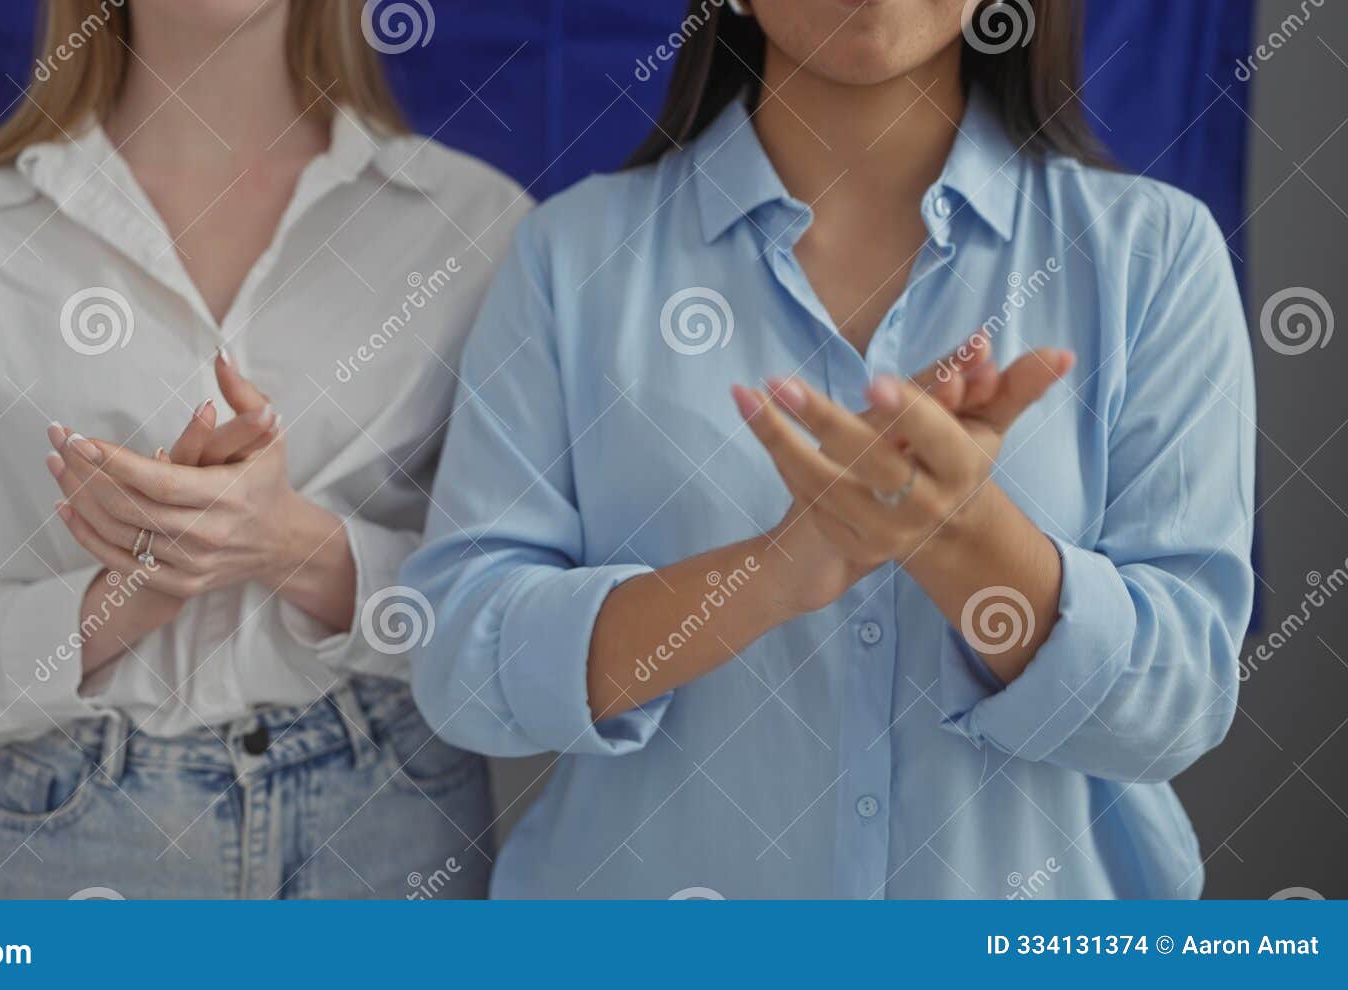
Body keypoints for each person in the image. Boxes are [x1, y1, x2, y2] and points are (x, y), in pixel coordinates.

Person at [402, 0, 1254, 898]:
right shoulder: (565, 256)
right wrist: (772, 572)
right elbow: (463, 662)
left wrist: (962, 536)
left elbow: (1179, 701)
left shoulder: (1153, 254)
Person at [0, 0, 527, 899]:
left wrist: (294, 547)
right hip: (76, 841)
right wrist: (115, 604)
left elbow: (531, 623)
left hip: (393, 825)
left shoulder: (476, 227)